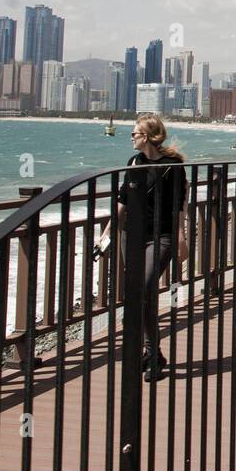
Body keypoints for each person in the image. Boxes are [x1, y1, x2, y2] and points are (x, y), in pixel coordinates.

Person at [98, 114, 189, 382]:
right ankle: (153, 355)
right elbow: (123, 200)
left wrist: (182, 237)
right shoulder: (134, 162)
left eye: (134, 133)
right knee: (138, 294)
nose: (131, 137)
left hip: (161, 236)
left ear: (147, 136)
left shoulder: (172, 166)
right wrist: (106, 233)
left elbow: (179, 204)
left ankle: (151, 352)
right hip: (131, 235)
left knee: (145, 289)